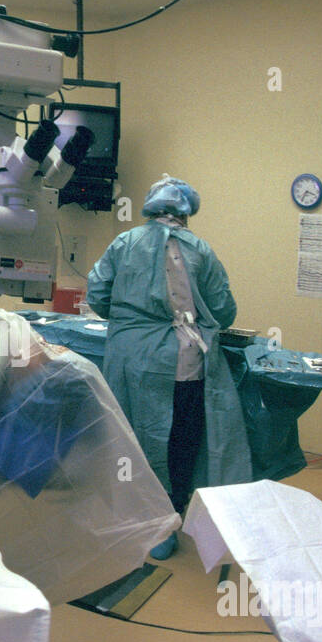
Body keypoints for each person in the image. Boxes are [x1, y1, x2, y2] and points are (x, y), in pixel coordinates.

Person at [87, 174, 250, 559]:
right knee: (180, 440)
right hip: (186, 361)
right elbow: (224, 310)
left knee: (130, 436)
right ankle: (168, 522)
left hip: (134, 358)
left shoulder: (124, 242)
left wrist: (132, 322)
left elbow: (97, 294)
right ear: (186, 213)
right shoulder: (201, 250)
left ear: (150, 208)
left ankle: (131, 515)